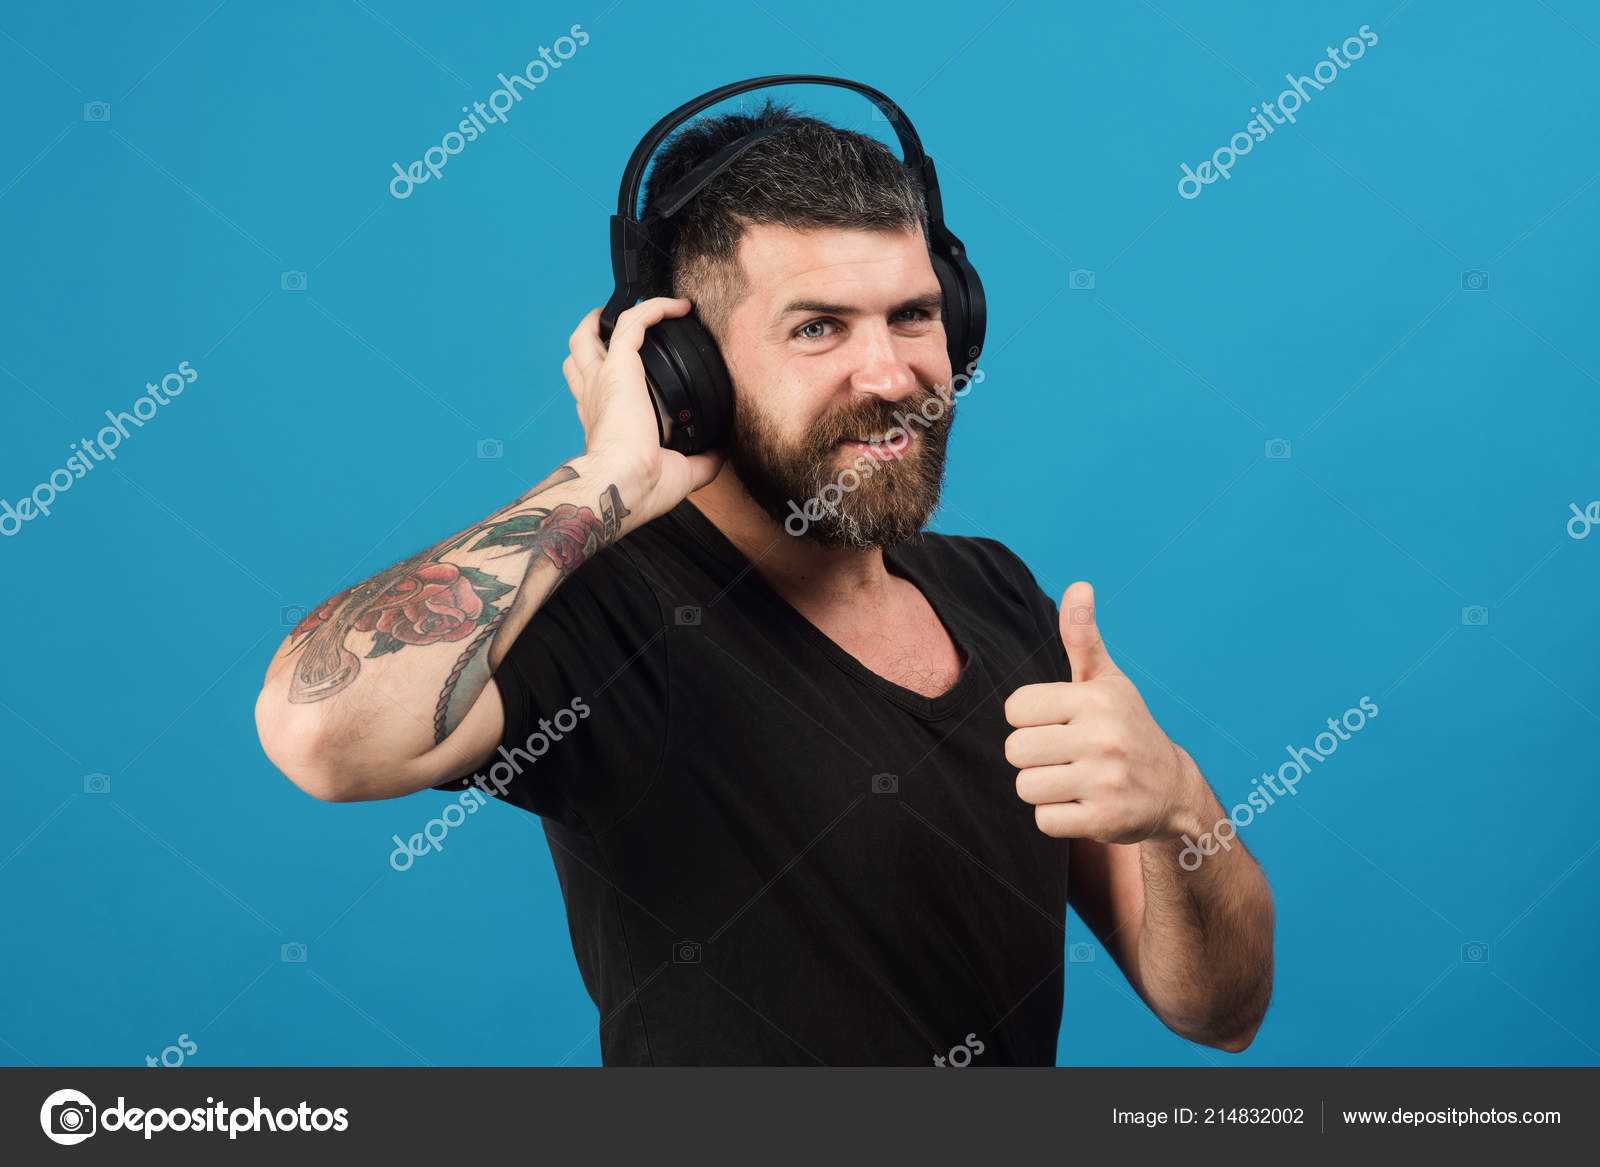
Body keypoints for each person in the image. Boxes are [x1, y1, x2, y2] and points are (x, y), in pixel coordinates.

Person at [254, 98, 1274, 1066]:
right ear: (682, 370)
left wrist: (1179, 811)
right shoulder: (614, 617)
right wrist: (611, 472)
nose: (890, 375)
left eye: (914, 316)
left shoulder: (996, 590)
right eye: (817, 328)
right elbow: (323, 738)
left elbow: (1221, 1011)